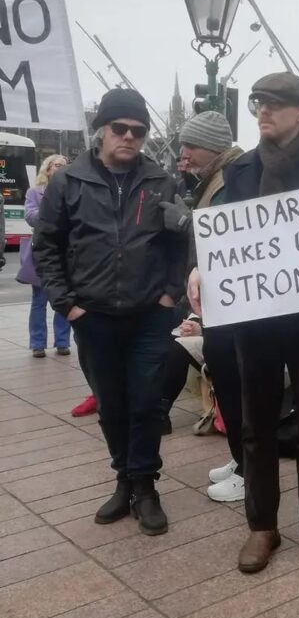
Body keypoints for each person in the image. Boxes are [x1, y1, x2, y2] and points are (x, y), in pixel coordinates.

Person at [188, 72, 299, 575]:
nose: (263, 111)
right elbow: (220, 235)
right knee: (256, 425)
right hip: (256, 322)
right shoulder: (242, 169)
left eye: (274, 103)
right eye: (258, 103)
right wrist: (201, 268)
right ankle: (262, 526)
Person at [34, 88, 187, 536]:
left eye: (139, 131)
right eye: (120, 128)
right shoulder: (69, 181)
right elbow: (47, 246)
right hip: (94, 316)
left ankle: (146, 484)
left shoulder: (161, 181)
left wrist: (170, 296)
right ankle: (125, 479)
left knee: (146, 402)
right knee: (111, 404)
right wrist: (67, 305)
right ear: (102, 129)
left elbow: (180, 245)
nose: (129, 137)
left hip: (149, 315)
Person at [160, 109, 246, 502]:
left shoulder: (229, 180)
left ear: (212, 147)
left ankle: (248, 469)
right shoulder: (215, 179)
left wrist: (185, 222)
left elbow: (230, 236)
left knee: (234, 387)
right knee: (227, 384)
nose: (184, 154)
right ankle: (242, 459)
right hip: (220, 306)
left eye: (190, 146)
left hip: (232, 309)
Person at [16, 155, 71, 358]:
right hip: (43, 252)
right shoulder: (35, 192)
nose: (61, 168)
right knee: (39, 301)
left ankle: (62, 342)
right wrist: (51, 210)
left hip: (66, 252)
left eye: (64, 166)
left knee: (65, 300)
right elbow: (30, 217)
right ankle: (38, 344)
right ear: (47, 169)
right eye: (57, 165)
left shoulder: (72, 191)